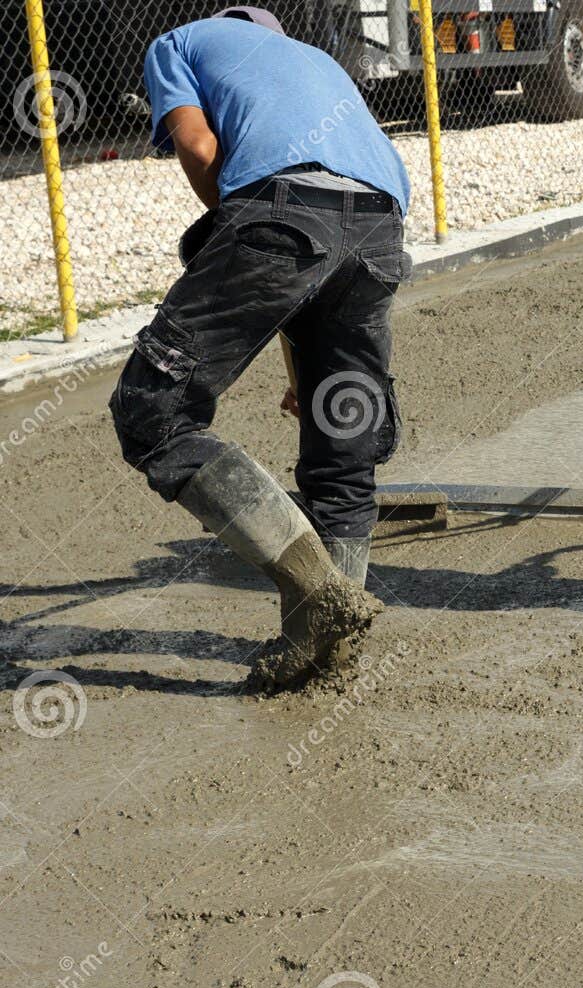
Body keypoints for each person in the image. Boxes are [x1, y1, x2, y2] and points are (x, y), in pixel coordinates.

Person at [108, 6, 412, 686]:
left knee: (151, 411)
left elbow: (200, 148)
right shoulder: (318, 60)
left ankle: (319, 592)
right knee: (342, 440)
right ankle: (328, 650)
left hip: (282, 214)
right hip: (379, 229)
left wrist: (232, 241)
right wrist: (300, 371)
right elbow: (313, 244)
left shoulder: (180, 41)